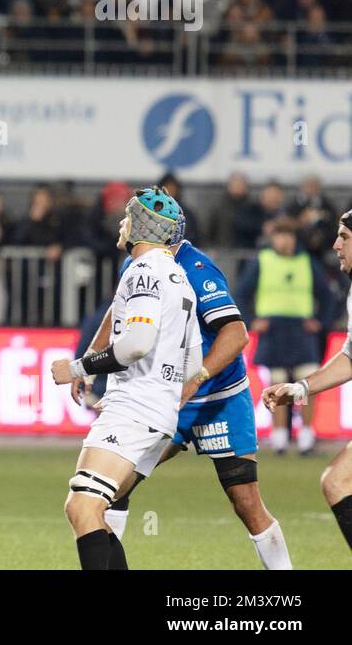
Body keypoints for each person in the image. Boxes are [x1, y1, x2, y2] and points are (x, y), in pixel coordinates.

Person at [72, 196, 293, 569]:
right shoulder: (137, 262)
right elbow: (119, 309)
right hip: (166, 400)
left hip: (218, 397)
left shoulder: (198, 267)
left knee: (246, 502)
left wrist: (196, 379)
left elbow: (236, 334)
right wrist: (93, 359)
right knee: (111, 492)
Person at [50, 188, 201, 570]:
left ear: (143, 225)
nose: (122, 223)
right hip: (157, 413)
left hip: (136, 410)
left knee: (83, 506)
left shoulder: (144, 270)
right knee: (95, 509)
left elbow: (135, 344)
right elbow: (194, 362)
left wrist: (79, 368)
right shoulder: (180, 279)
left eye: (128, 216)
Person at [262, 208, 352, 553]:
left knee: (338, 480)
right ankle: (287, 438)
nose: (335, 245)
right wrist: (301, 388)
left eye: (343, 237)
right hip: (280, 335)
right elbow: (350, 356)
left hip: (297, 334)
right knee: (337, 481)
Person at [238, 217, 336, 455]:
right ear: (273, 238)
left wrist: (321, 322)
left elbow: (329, 296)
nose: (284, 240)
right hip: (273, 329)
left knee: (306, 382)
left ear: (294, 238)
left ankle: (305, 435)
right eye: (280, 235)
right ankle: (280, 436)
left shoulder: (307, 262)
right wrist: (251, 321)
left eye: (288, 235)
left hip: (301, 329)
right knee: (278, 382)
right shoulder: (262, 261)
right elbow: (241, 293)